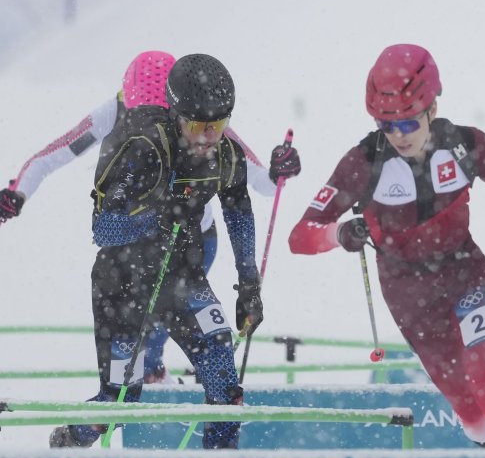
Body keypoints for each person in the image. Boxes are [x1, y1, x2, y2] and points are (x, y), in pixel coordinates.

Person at [288, 44, 485, 452]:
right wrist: (338, 235)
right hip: (408, 295)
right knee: (470, 412)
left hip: (465, 274)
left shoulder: (466, 145)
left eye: (408, 124)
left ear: (433, 107)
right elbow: (300, 236)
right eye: (385, 124)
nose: (397, 136)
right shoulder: (363, 162)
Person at [0, 50, 300, 384]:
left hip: (196, 241)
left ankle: (161, 385)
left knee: (160, 332)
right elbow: (52, 156)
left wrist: (278, 173)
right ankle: (150, 387)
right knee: (138, 339)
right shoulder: (113, 112)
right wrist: (18, 193)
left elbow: (256, 179)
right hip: (137, 247)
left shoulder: (198, 118)